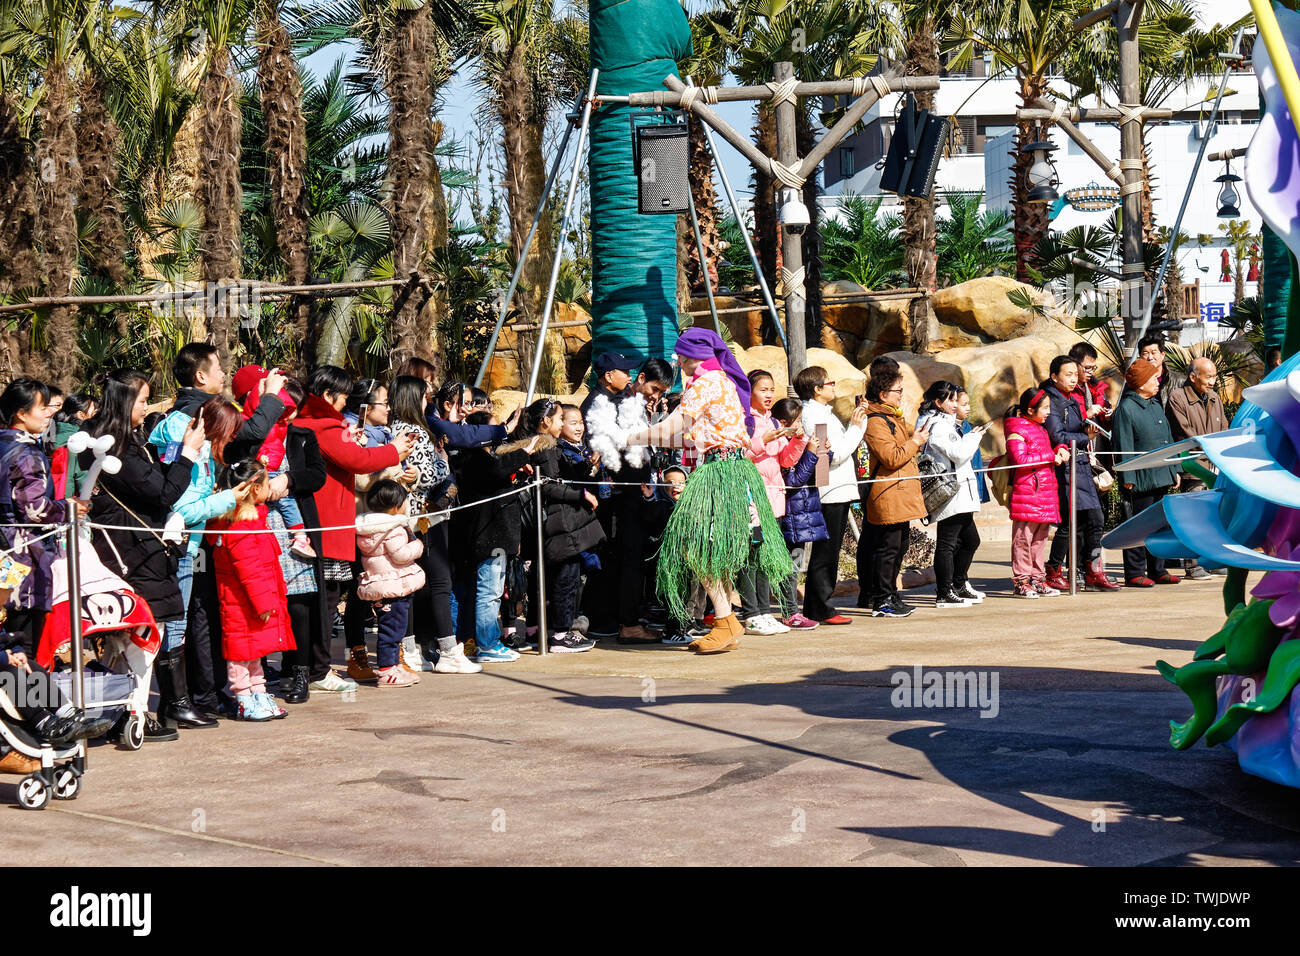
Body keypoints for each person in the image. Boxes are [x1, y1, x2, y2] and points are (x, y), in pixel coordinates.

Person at [625, 328, 792, 654]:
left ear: (695, 355)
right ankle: (725, 621)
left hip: (718, 473)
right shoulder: (722, 381)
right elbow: (685, 437)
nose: (679, 362)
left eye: (682, 356)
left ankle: (725, 620)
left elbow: (674, 428)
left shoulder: (704, 384)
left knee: (695, 546)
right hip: (732, 471)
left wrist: (631, 437)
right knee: (716, 549)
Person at [293, 366, 414, 692]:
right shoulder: (325, 427)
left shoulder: (309, 423)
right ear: (330, 396)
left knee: (317, 600)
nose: (348, 404)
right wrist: (393, 452)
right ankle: (318, 671)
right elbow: (357, 462)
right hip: (329, 525)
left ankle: (306, 669)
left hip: (324, 523)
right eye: (344, 396)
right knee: (327, 600)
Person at [145, 397, 244, 730]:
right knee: (174, 624)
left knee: (179, 623)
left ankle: (175, 704)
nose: (232, 439)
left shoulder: (204, 455)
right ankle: (175, 704)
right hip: (179, 548)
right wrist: (229, 498)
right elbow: (182, 508)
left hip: (191, 547)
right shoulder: (190, 452)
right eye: (230, 431)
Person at [582, 353, 674, 642]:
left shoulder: (627, 401)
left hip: (633, 492)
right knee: (622, 558)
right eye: (624, 371)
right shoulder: (600, 404)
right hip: (618, 496)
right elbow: (611, 447)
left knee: (627, 558)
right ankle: (624, 622)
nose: (629, 377)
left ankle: (619, 619)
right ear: (609, 375)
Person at [388, 375, 477, 674]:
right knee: (438, 581)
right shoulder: (413, 430)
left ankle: (413, 648)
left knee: (419, 581)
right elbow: (426, 475)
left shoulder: (398, 428)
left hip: (418, 515)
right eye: (424, 395)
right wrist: (442, 462)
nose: (429, 400)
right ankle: (448, 650)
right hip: (423, 515)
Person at [450, 411, 544, 663]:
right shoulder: (473, 458)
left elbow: (498, 470)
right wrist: (524, 452)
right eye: (493, 429)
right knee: (488, 592)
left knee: (489, 590)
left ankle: (482, 641)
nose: (498, 434)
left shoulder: (482, 457)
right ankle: (487, 644)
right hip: (488, 536)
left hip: (495, 535)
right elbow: (494, 471)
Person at [0, 378, 82, 655]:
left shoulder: (3, 444)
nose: (50, 412)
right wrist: (67, 507)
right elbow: (34, 509)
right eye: (42, 407)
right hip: (23, 557)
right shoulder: (27, 454)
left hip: (5, 551)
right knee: (24, 647)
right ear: (21, 414)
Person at [210, 459, 294, 721]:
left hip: (251, 603)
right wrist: (263, 604)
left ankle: (259, 693)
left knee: (255, 653)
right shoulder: (241, 526)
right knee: (240, 656)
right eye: (268, 483)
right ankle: (244, 697)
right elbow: (250, 571)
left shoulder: (254, 521)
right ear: (255, 488)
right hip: (242, 604)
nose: (271, 488)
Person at [524, 399, 602, 652]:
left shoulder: (549, 445)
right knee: (566, 576)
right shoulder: (545, 447)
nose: (562, 424)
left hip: (554, 523)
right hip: (557, 523)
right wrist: (580, 495)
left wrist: (587, 465)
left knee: (555, 576)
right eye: (560, 419)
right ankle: (560, 633)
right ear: (546, 422)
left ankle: (541, 629)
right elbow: (549, 485)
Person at [795, 364, 868, 625]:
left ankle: (820, 605)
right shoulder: (814, 415)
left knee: (830, 551)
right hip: (830, 491)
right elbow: (830, 458)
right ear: (817, 389)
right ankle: (819, 607)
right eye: (829, 382)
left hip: (837, 489)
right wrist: (857, 428)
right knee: (826, 552)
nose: (833, 386)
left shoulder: (823, 412)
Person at [738, 369, 808, 634]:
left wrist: (798, 440)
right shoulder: (743, 419)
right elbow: (734, 453)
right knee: (750, 557)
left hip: (774, 501)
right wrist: (761, 441)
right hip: (752, 501)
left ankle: (765, 612)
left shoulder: (772, 421)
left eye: (771, 389)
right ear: (749, 390)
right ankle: (751, 613)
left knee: (765, 558)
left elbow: (785, 460)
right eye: (762, 389)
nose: (768, 395)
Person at [1042, 355, 1118, 593]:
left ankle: (1093, 570)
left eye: (1076, 374)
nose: (1074, 379)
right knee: (1069, 523)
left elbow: (1073, 428)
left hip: (1082, 465)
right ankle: (1054, 569)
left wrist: (1088, 426)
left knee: (1095, 519)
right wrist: (1087, 437)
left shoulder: (1073, 399)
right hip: (1066, 468)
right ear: (1054, 376)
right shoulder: (1051, 401)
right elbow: (1058, 436)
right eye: (1068, 374)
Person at [273, 378, 329, 704]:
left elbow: (317, 476)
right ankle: (279, 665)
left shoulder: (303, 437)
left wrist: (290, 479)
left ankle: (301, 671)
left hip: (298, 528)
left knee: (299, 600)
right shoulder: (253, 436)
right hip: (261, 524)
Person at [861, 360, 929, 618]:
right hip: (887, 492)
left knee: (899, 546)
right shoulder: (876, 421)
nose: (902, 395)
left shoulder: (893, 417)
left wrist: (915, 439)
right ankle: (882, 599)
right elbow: (890, 457)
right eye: (898, 391)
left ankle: (891, 593)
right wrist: (915, 442)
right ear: (883, 394)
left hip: (901, 491)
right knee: (887, 548)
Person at [230, 365, 315, 561]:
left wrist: (288, 479)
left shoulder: (299, 433)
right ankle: (299, 536)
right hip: (254, 528)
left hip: (286, 536)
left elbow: (317, 475)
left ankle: (300, 537)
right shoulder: (237, 427)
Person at [915, 381, 987, 608]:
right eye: (951, 400)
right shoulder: (936, 425)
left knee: (970, 540)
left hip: (960, 491)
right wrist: (973, 437)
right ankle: (944, 592)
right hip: (949, 491)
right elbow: (958, 454)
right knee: (947, 543)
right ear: (938, 402)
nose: (956, 405)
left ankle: (958, 583)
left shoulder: (944, 422)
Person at [1113, 357, 1182, 587]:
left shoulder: (1154, 404)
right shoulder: (1126, 409)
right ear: (1141, 383)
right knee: (1139, 525)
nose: (1158, 381)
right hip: (1140, 478)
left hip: (1162, 474)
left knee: (1160, 523)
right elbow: (1123, 445)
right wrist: (1127, 477)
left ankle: (1158, 569)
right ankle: (1134, 572)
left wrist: (1175, 469)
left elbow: (1168, 440)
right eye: (1153, 378)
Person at [356, 479, 427, 686]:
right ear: (396, 506)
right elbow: (401, 555)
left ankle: (393, 665)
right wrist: (417, 546)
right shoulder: (393, 528)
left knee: (391, 627)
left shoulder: (369, 527)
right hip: (393, 585)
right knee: (392, 629)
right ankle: (387, 670)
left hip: (381, 584)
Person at [1165, 356, 1229, 580]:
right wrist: (1208, 446)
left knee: (1214, 518)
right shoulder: (1177, 398)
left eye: (1214, 376)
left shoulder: (1214, 398)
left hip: (1214, 468)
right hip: (1193, 467)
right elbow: (1184, 432)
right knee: (1194, 518)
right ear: (1193, 377)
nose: (1212, 381)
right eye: (1208, 376)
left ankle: (1211, 560)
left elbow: (1223, 428)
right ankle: (1192, 565)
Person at [1004, 388, 1069, 598]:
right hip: (1027, 493)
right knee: (1023, 540)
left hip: (1044, 493)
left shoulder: (1039, 428)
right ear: (1030, 410)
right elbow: (1019, 460)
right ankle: (1021, 581)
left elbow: (1047, 448)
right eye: (1045, 408)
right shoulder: (1017, 430)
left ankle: (1037, 578)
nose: (1049, 412)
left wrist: (1059, 447)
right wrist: (1051, 456)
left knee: (1039, 540)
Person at [771, 398, 824, 630]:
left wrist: (823, 453)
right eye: (798, 420)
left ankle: (792, 611)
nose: (801, 425)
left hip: (803, 512)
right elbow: (793, 479)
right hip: (790, 512)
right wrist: (811, 452)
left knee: (796, 564)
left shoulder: (796, 440)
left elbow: (817, 474)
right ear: (783, 422)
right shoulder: (781, 445)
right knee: (789, 566)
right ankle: (789, 611)